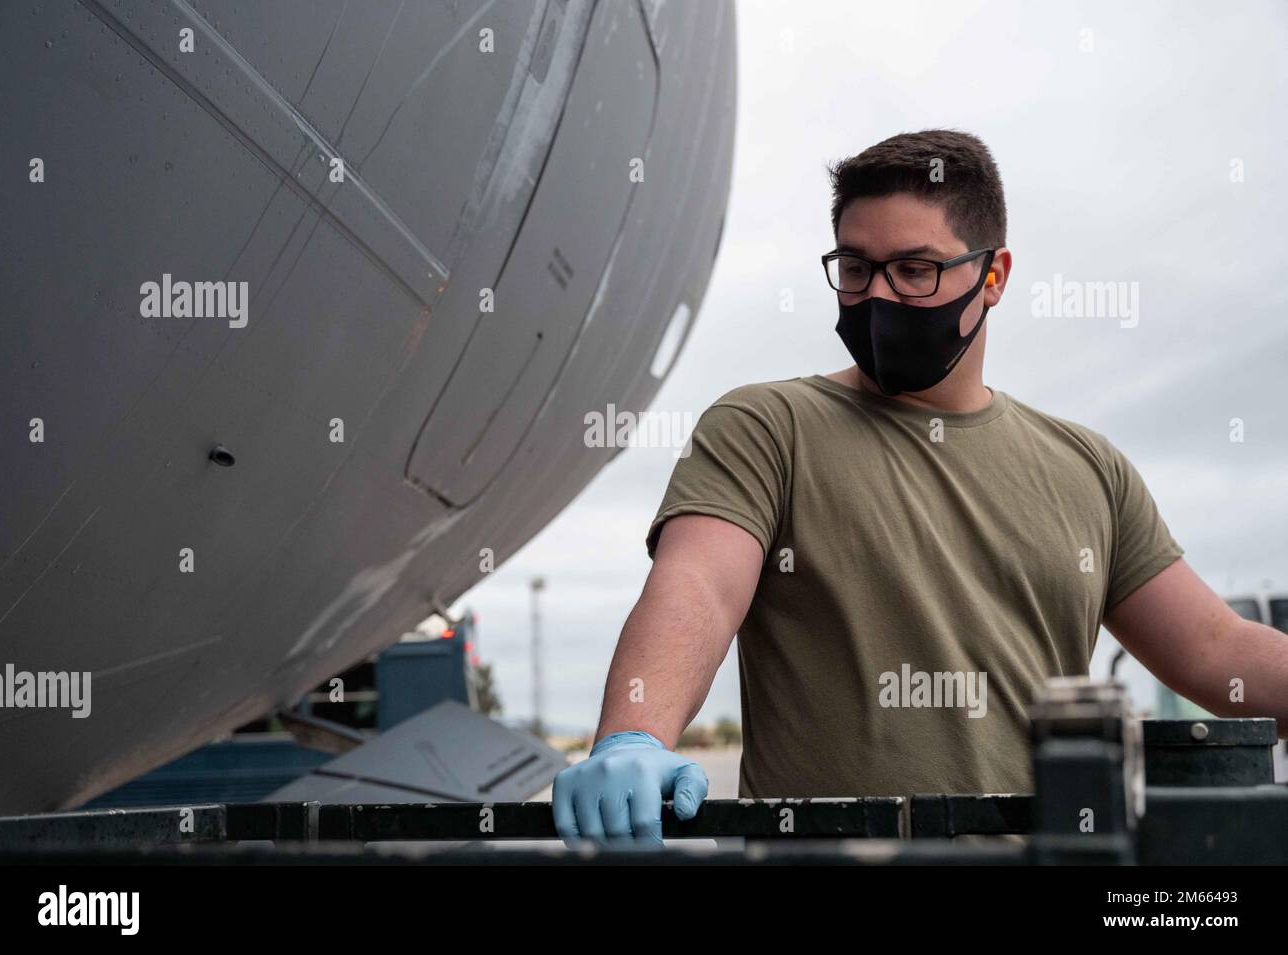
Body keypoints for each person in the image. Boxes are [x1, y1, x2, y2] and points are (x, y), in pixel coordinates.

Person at [551, 129, 1288, 848]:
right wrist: (632, 735)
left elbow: (1216, 647)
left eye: (914, 269)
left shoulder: (1089, 468)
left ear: (993, 276)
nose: (878, 296)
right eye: (855, 267)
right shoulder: (768, 427)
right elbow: (699, 587)